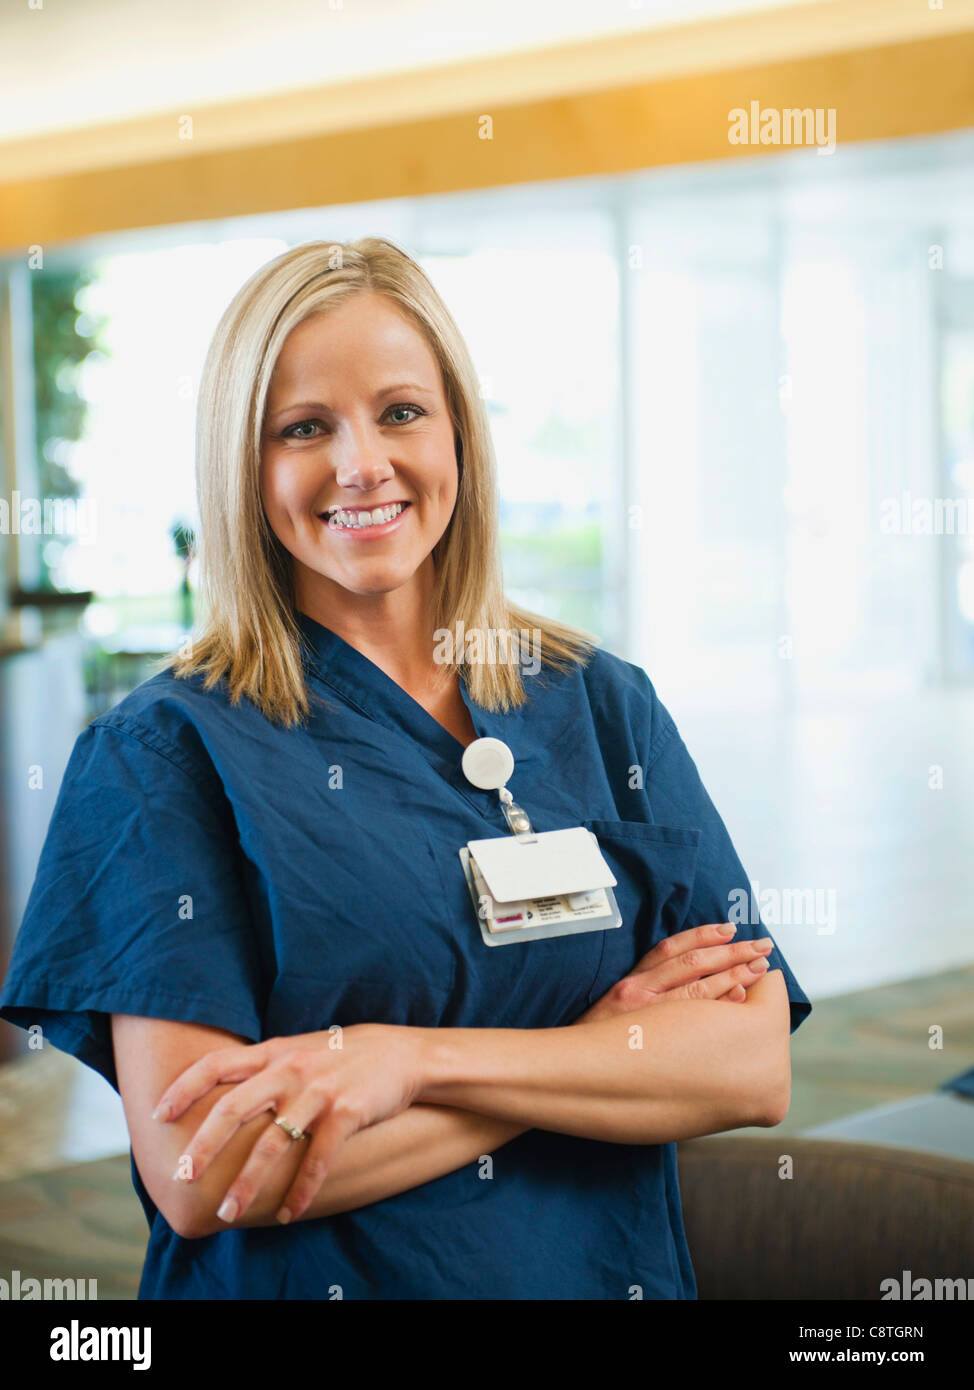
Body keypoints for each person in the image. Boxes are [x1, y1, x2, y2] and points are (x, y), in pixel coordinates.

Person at [0, 236, 811, 1300]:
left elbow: (749, 1064)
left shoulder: (597, 701)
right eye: (303, 428)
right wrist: (594, 1050)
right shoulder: (164, 753)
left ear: (458, 436)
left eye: (399, 411)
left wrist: (407, 1060)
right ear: (244, 467)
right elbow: (211, 1170)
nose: (360, 465)